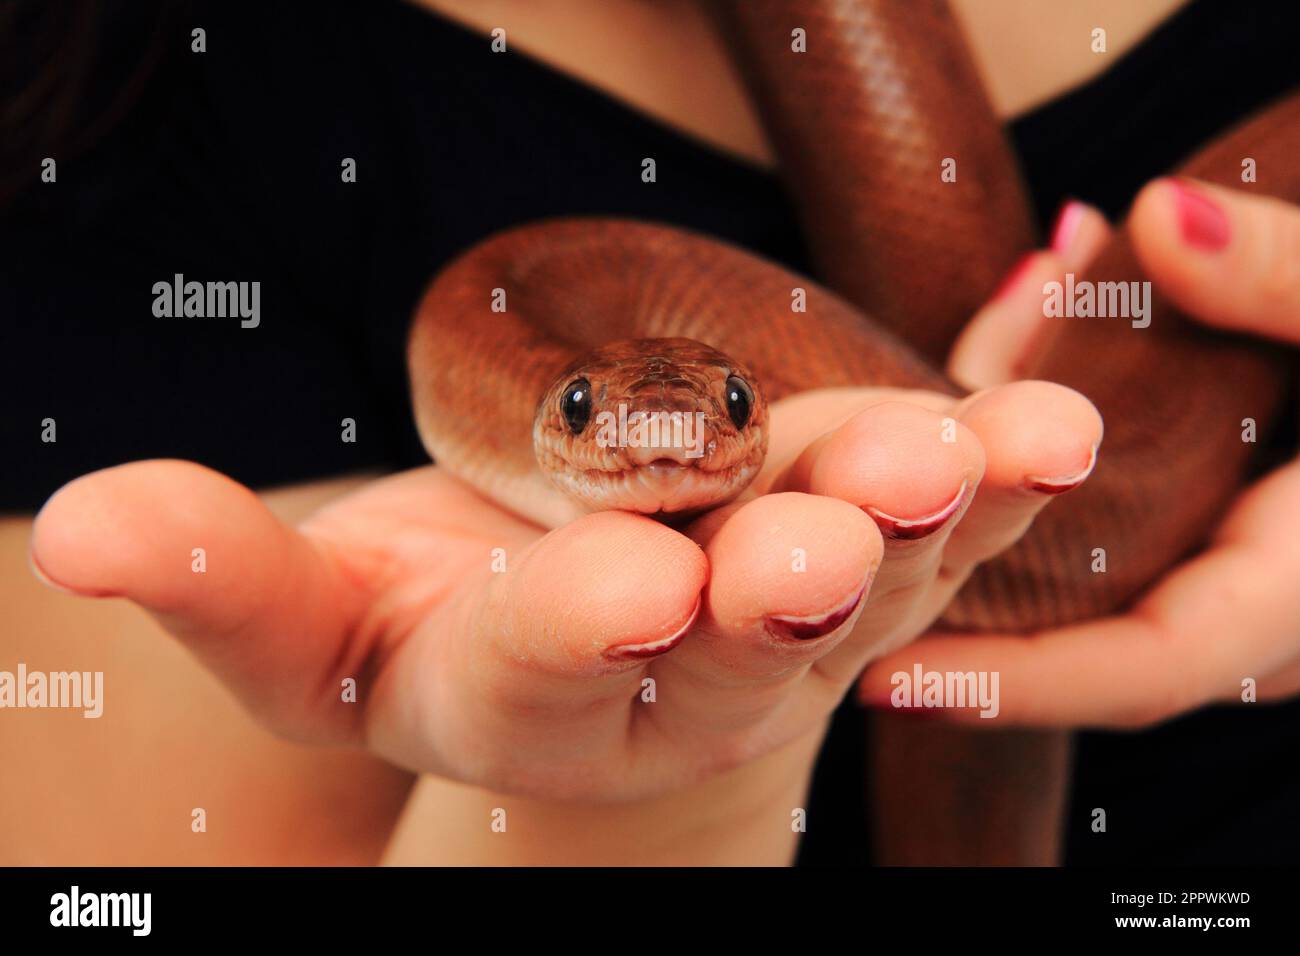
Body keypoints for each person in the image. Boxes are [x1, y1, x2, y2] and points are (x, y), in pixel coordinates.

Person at [2, 0, 1297, 865]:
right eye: (589, 418)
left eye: (718, 416)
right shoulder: (136, 88)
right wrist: (624, 782)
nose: (658, 444)